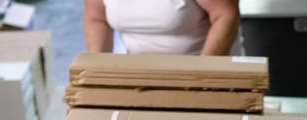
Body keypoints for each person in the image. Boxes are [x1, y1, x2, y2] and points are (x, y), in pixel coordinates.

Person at [83, 0, 240, 56]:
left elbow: (225, 14)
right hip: (139, 72)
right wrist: (94, 71)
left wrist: (203, 75)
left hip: (201, 65)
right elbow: (97, 18)